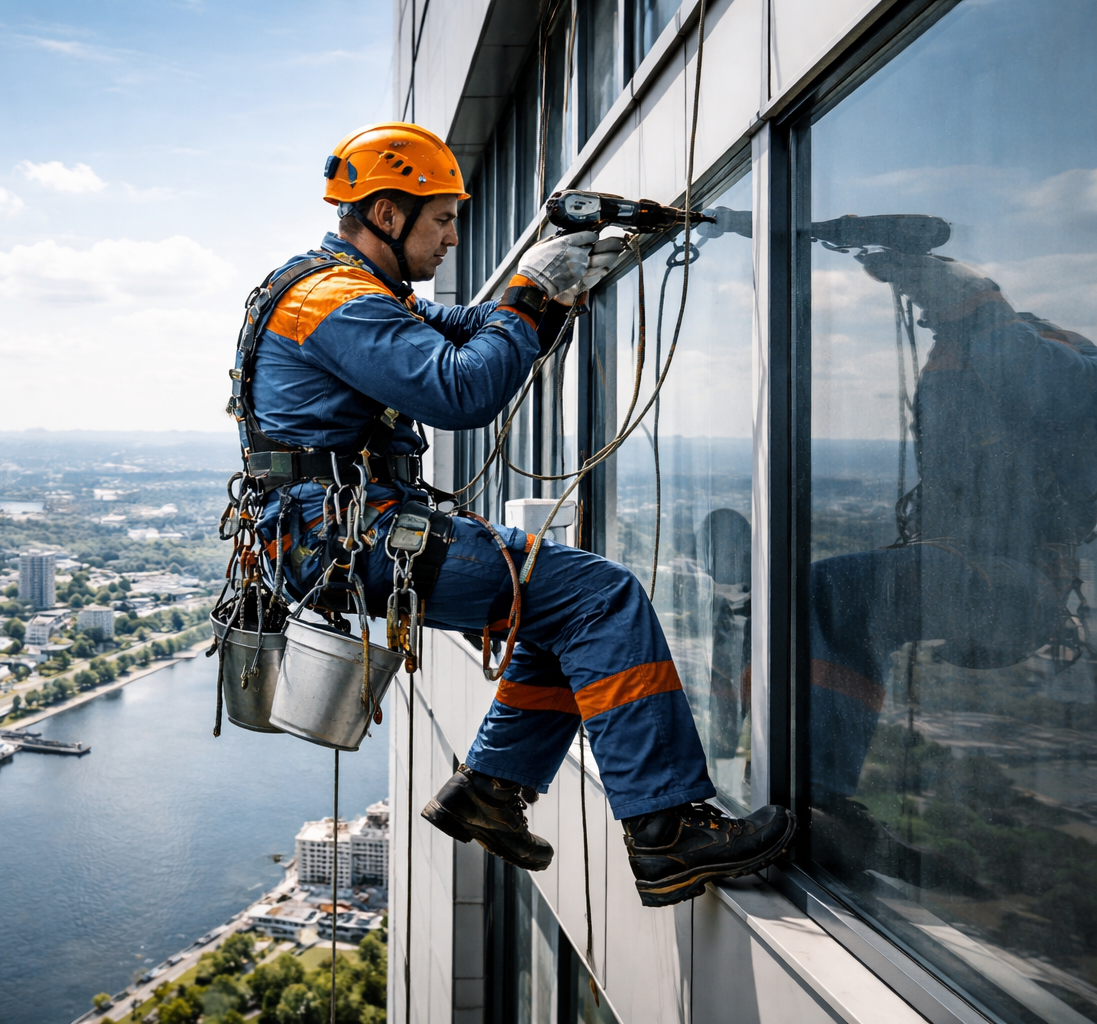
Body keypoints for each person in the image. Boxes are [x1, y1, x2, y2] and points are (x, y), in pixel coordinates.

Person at [234, 122, 794, 908]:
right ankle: (666, 831)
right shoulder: (335, 302)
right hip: (346, 536)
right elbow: (462, 388)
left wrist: (549, 292)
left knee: (558, 610)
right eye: (441, 220)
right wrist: (530, 288)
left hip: (337, 533)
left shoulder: (350, 293)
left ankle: (491, 789)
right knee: (600, 596)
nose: (452, 238)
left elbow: (473, 330)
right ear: (388, 214)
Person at [803, 250, 1097, 887]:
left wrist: (967, 294)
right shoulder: (968, 361)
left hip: (1020, 582)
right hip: (979, 567)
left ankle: (820, 796)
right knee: (833, 610)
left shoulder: (1067, 360)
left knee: (825, 593)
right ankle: (811, 792)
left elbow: (1028, 373)